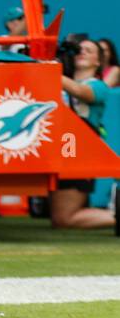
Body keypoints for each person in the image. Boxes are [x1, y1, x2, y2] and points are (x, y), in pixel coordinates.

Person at [51, 38, 116, 229]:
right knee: (59, 217)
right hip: (61, 149)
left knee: (65, 219)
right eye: (79, 49)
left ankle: (114, 216)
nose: (83, 52)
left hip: (78, 150)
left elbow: (81, 91)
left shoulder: (99, 86)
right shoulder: (61, 81)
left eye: (89, 50)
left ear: (99, 61)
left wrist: (48, 69)